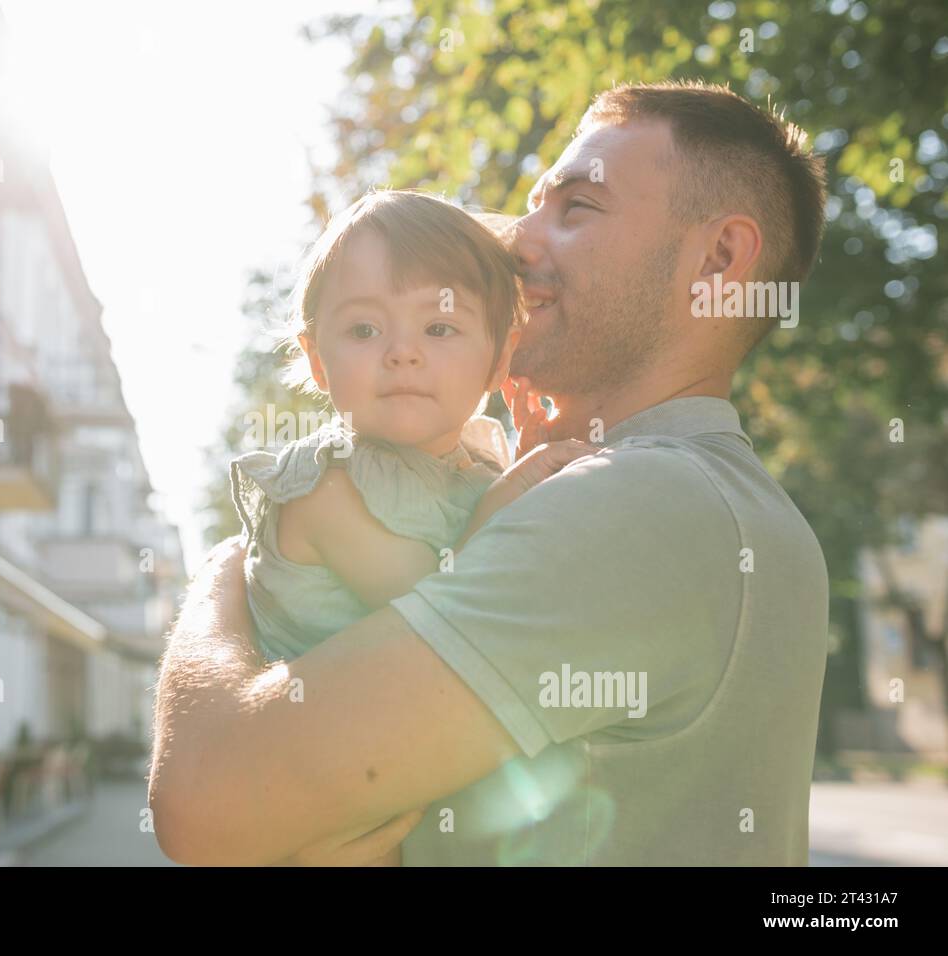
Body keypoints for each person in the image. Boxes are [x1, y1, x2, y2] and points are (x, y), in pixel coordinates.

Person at [150, 79, 831, 866]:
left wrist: (224, 572)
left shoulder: (636, 503)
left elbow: (204, 805)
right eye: (528, 208)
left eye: (576, 208)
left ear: (718, 259)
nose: (517, 242)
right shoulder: (718, 502)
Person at [227, 190, 591, 863]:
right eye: (364, 330)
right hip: (317, 800)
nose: (402, 353)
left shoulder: (479, 457)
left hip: (407, 781)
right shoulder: (325, 485)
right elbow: (440, 607)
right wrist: (503, 502)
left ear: (501, 354)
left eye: (440, 328)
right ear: (316, 359)